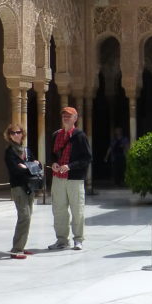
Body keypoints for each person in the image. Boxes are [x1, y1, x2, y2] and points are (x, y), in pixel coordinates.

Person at [48, 107, 91, 251]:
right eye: (64, 116)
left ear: (75, 118)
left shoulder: (80, 136)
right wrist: (53, 163)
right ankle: (62, 240)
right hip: (58, 178)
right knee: (59, 210)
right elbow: (53, 154)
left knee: (77, 210)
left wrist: (70, 166)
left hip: (74, 179)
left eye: (69, 116)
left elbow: (87, 158)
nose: (66, 118)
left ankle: (78, 240)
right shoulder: (56, 135)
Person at [4, 122, 37, 259]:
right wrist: (27, 167)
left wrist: (27, 166)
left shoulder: (26, 150)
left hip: (29, 187)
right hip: (18, 187)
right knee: (24, 216)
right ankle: (16, 249)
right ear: (9, 136)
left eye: (18, 132)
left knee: (28, 217)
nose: (16, 135)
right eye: (13, 133)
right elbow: (15, 169)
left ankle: (21, 247)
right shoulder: (9, 152)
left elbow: (36, 164)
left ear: (22, 134)